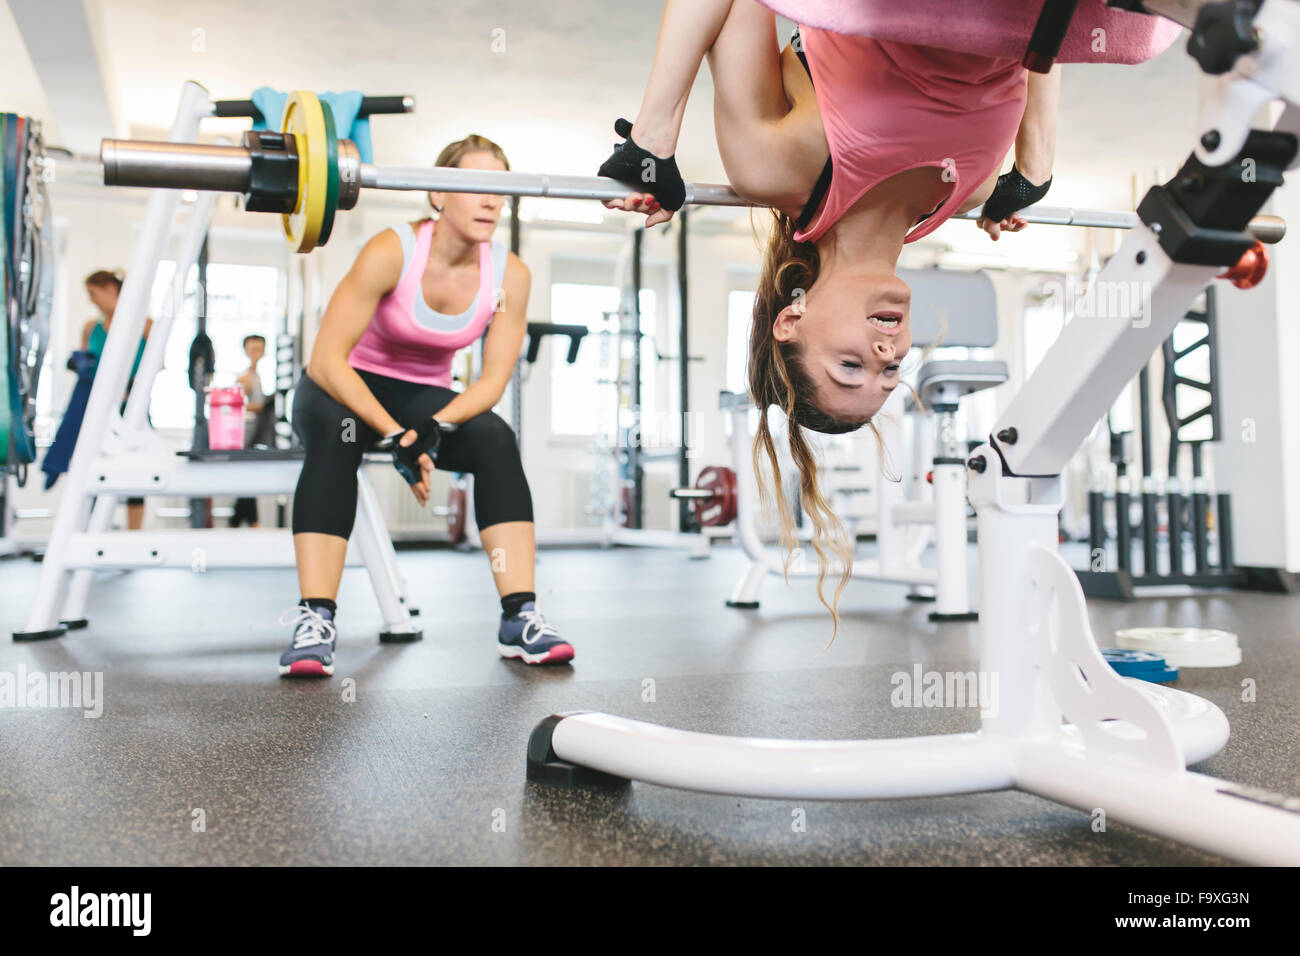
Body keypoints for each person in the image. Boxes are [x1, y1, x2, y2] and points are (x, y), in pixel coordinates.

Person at [597, 1, 1059, 622]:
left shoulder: (778, 170)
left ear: (792, 319)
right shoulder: (970, 189)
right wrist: (1035, 166)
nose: (884, 357)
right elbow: (1041, 33)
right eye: (889, 375)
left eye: (849, 366)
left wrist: (652, 145)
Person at [281, 134, 573, 677]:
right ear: (439, 193)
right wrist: (396, 434)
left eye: (500, 190)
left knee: (494, 437)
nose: (491, 201)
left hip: (423, 396)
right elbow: (325, 359)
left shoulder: (509, 275)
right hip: (342, 386)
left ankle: (520, 616)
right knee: (339, 434)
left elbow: (490, 383)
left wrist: (432, 428)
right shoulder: (394, 249)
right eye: (476, 187)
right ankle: (315, 618)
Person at [83, 270, 152, 531]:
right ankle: (95, 532)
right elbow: (85, 367)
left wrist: (129, 387)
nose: (92, 301)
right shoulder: (92, 328)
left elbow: (157, 364)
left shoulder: (145, 325)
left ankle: (134, 534)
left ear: (111, 289)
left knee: (135, 468)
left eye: (93, 294)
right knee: (97, 465)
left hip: (133, 406)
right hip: (99, 408)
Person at [231, 334, 274, 528]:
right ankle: (250, 523)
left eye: (259, 349)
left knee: (247, 483)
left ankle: (242, 523)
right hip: (244, 437)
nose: (256, 354)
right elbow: (233, 404)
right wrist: (259, 406)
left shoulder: (256, 376)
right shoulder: (245, 378)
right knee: (246, 482)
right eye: (252, 350)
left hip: (254, 435)